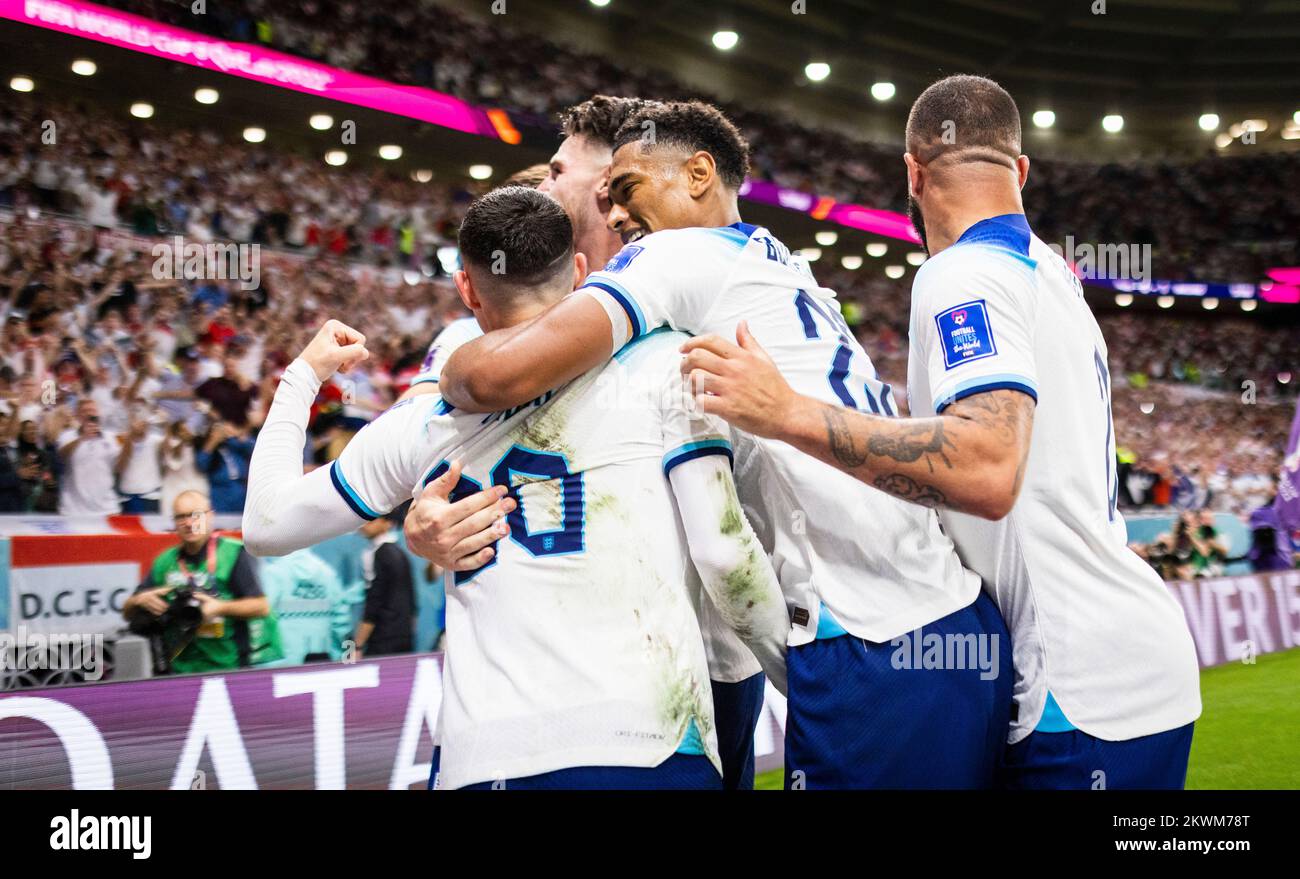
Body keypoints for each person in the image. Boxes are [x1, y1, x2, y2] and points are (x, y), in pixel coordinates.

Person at [432, 101, 1011, 789]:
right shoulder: (778, 262)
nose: (616, 214)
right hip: (942, 617)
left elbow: (503, 374)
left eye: (626, 190)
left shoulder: (673, 255)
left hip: (868, 641)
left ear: (699, 174)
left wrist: (452, 368)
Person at [674, 75, 1202, 789]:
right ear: (1020, 170)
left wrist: (784, 411)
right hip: (1133, 658)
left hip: (1075, 688)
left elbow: (986, 470)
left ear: (913, 173)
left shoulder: (963, 274)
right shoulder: (1052, 272)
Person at [243, 186, 786, 790]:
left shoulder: (423, 423)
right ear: (580, 271)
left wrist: (303, 376)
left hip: (489, 756)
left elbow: (266, 525)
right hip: (648, 742)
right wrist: (800, 677)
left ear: (467, 289)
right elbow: (729, 554)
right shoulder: (666, 360)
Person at [402, 95, 772, 789]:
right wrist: (420, 519)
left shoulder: (694, 313)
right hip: (517, 698)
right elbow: (411, 451)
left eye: (553, 170)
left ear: (608, 192)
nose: (536, 188)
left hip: (707, 670)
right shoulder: (472, 328)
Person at [123, 489, 280, 674]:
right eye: (181, 517)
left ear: (210, 517)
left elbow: (261, 606)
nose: (189, 523)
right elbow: (127, 613)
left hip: (229, 666)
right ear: (173, 522)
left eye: (195, 515)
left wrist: (219, 608)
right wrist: (138, 600)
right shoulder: (164, 562)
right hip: (177, 669)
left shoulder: (233, 553)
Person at [356, 505, 416, 657]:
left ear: (388, 523)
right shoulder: (400, 553)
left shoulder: (376, 554)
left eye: (372, 519)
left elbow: (374, 602)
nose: (365, 523)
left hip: (381, 640)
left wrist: (356, 647)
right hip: (404, 637)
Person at [56, 398, 121, 516]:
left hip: (106, 508)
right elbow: (61, 457)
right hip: (74, 509)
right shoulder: (67, 436)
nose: (90, 414)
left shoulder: (111, 437)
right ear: (78, 416)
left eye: (93, 410)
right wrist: (82, 438)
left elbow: (118, 467)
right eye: (85, 411)